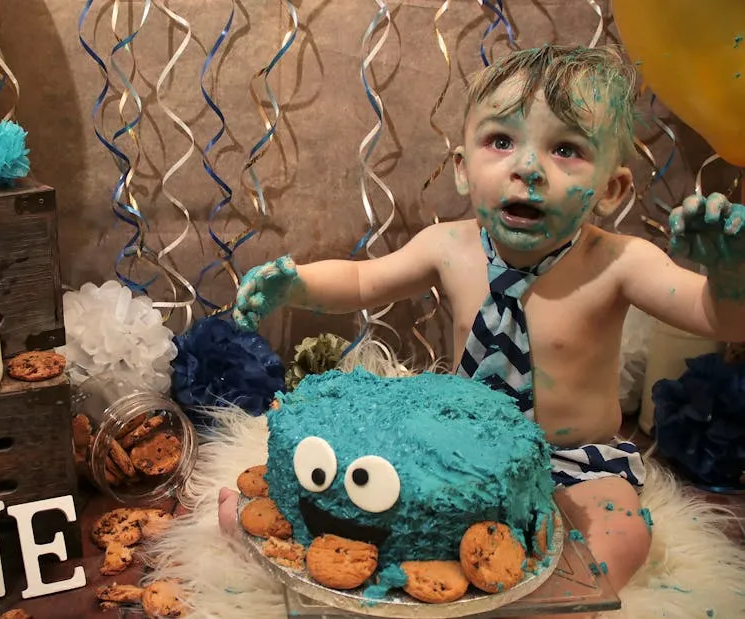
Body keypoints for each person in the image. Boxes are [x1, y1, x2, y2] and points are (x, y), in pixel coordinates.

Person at [220, 44, 745, 617]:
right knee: (373, 496)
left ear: (613, 189)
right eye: (501, 141)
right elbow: (364, 280)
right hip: (451, 450)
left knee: (623, 532)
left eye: (566, 149)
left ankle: (550, 603)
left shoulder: (620, 263)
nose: (527, 167)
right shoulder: (450, 246)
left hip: (573, 457)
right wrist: (295, 285)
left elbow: (718, 317)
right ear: (463, 168)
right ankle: (293, 538)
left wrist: (728, 274)